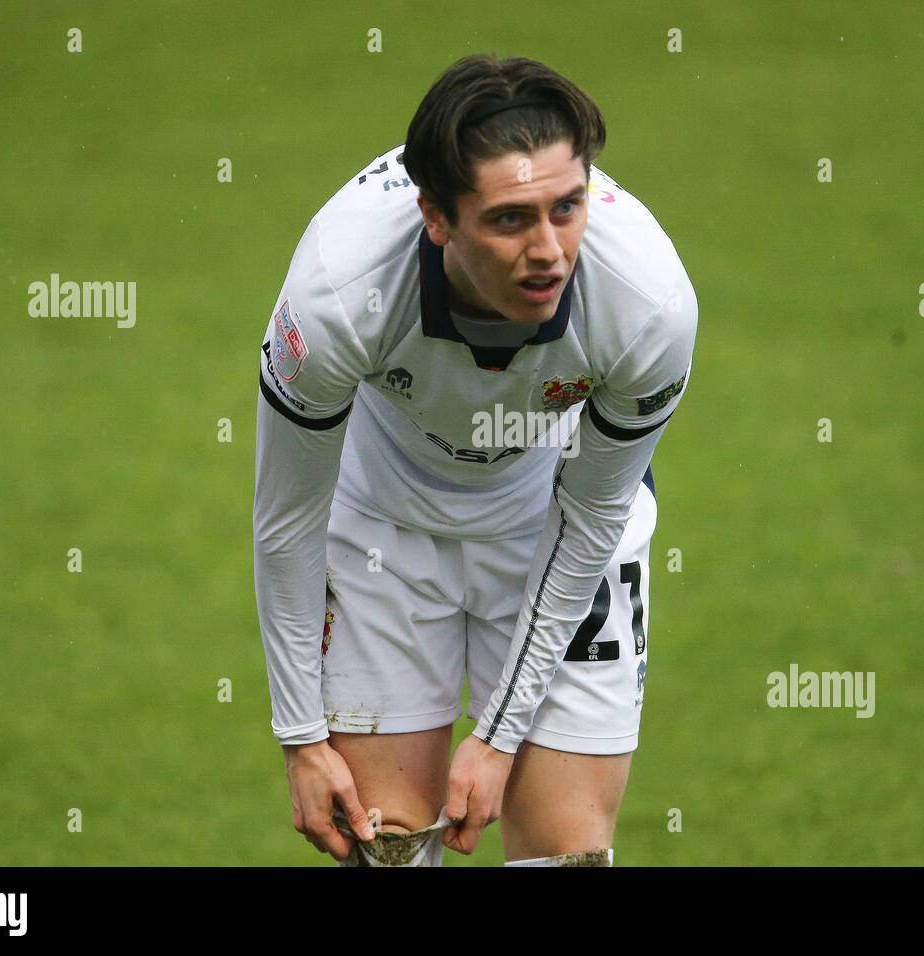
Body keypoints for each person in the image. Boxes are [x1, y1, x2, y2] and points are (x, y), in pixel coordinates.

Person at [253, 53, 697, 866]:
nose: (549, 251)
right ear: (437, 217)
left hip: (555, 523)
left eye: (567, 207)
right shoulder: (337, 295)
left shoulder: (647, 302)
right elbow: (287, 520)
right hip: (383, 527)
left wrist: (497, 736)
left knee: (568, 859)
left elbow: (592, 514)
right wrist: (301, 738)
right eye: (508, 220)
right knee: (387, 854)